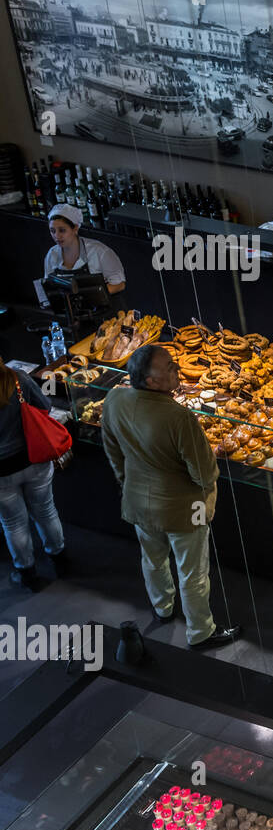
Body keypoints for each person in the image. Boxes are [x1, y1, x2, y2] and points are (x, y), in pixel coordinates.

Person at [100, 345, 240, 649]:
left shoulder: (114, 399)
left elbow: (111, 447)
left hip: (138, 500)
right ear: (151, 381)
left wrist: (126, 480)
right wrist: (207, 500)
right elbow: (204, 472)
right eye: (170, 367)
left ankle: (162, 608)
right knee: (193, 572)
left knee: (152, 559)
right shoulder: (179, 417)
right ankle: (201, 631)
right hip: (184, 508)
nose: (177, 369)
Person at [0, 359, 67, 590]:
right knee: (46, 510)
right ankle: (60, 560)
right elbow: (45, 407)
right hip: (33, 458)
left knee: (13, 524)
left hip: (2, 474)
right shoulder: (18, 378)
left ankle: (28, 574)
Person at [43, 203, 128, 311]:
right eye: (52, 231)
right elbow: (48, 285)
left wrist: (88, 297)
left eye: (62, 230)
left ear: (75, 228)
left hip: (103, 313)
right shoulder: (52, 255)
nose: (57, 236)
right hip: (72, 314)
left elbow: (120, 284)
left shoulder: (100, 251)